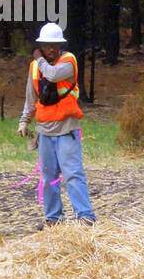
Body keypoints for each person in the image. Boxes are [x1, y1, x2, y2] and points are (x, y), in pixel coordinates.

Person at [16, 23, 96, 226]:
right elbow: (31, 97)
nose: (51, 49)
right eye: (46, 45)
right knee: (48, 178)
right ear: (41, 45)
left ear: (61, 46)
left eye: (55, 45)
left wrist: (38, 58)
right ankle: (54, 219)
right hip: (44, 131)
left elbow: (52, 74)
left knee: (73, 174)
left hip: (67, 129)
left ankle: (85, 217)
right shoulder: (35, 67)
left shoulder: (68, 62)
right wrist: (24, 121)